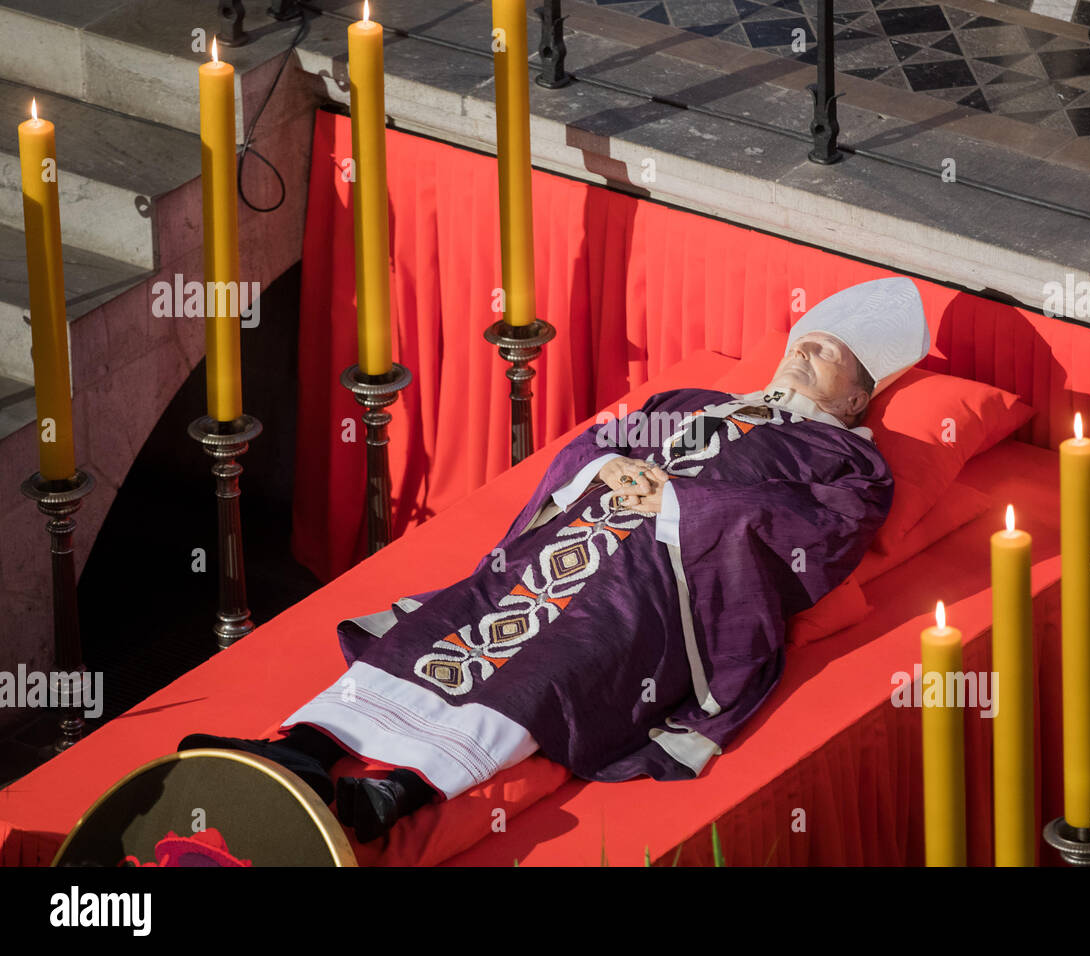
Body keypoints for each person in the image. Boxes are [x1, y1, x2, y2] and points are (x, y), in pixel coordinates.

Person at [179, 276, 931, 843]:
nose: (802, 350)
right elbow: (603, 440)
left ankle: (398, 794)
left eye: (827, 352)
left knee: (558, 659)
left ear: (861, 395)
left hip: (670, 584)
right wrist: (604, 473)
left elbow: (809, 534)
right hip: (577, 531)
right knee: (457, 619)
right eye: (804, 337)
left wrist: (673, 501)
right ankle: (304, 750)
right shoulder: (698, 400)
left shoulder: (848, 465)